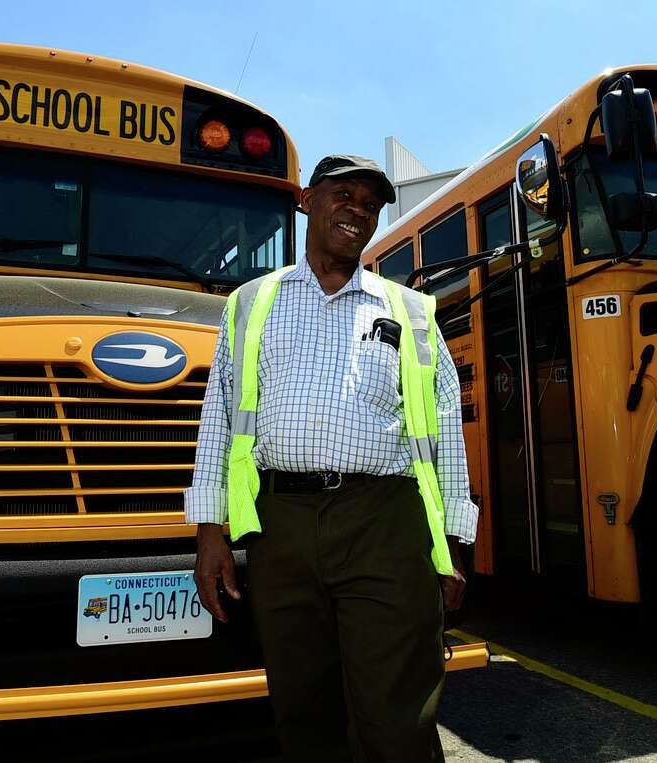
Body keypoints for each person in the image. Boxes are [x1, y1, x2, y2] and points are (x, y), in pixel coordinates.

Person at [185, 155, 479, 762]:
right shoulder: (249, 304)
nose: (357, 211)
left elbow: (445, 430)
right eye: (343, 195)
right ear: (307, 202)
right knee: (301, 705)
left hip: (384, 522)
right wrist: (209, 532)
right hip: (281, 526)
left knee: (397, 713)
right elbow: (218, 419)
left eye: (369, 205)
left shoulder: (411, 313)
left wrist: (452, 545)